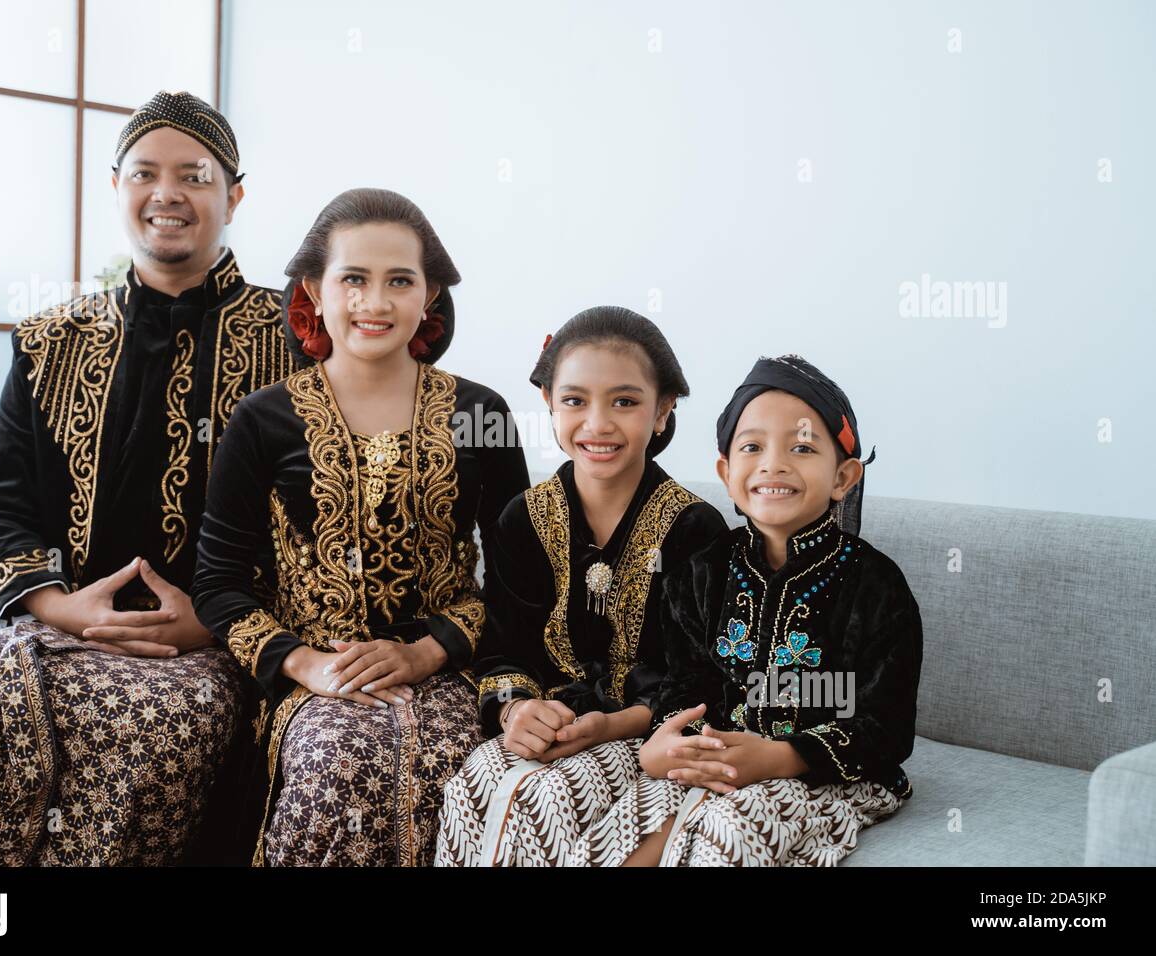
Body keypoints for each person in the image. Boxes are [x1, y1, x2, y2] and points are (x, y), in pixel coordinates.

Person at [0, 91, 293, 866]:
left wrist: (217, 619)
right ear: (117, 185)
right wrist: (60, 607)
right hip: (63, 625)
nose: (168, 194)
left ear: (234, 195)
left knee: (152, 725)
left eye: (194, 175)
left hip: (212, 644)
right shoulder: (51, 339)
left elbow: (320, 515)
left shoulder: (295, 342)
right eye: (145, 173)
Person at [192, 187, 531, 866]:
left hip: (450, 675)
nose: (375, 304)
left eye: (399, 281)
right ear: (314, 291)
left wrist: (425, 654)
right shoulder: (261, 419)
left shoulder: (479, 411)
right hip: (316, 678)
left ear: (429, 294)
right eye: (354, 279)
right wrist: (305, 664)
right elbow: (219, 584)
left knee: (469, 775)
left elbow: (521, 583)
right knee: (335, 767)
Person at [573, 354, 923, 866]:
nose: (773, 464)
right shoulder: (702, 571)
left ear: (843, 476)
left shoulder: (876, 585)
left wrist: (780, 756)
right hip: (719, 752)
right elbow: (683, 682)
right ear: (727, 471)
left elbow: (886, 724)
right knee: (635, 832)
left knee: (727, 827)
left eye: (802, 447)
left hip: (831, 774)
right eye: (752, 447)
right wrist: (667, 740)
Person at [436, 307, 726, 866]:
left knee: (543, 800)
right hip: (551, 724)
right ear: (548, 400)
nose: (597, 424)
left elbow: (699, 678)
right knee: (473, 784)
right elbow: (502, 647)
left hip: (647, 736)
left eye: (624, 401)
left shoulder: (696, 530)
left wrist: (611, 725)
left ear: (663, 409)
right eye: (575, 401)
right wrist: (516, 711)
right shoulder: (523, 518)